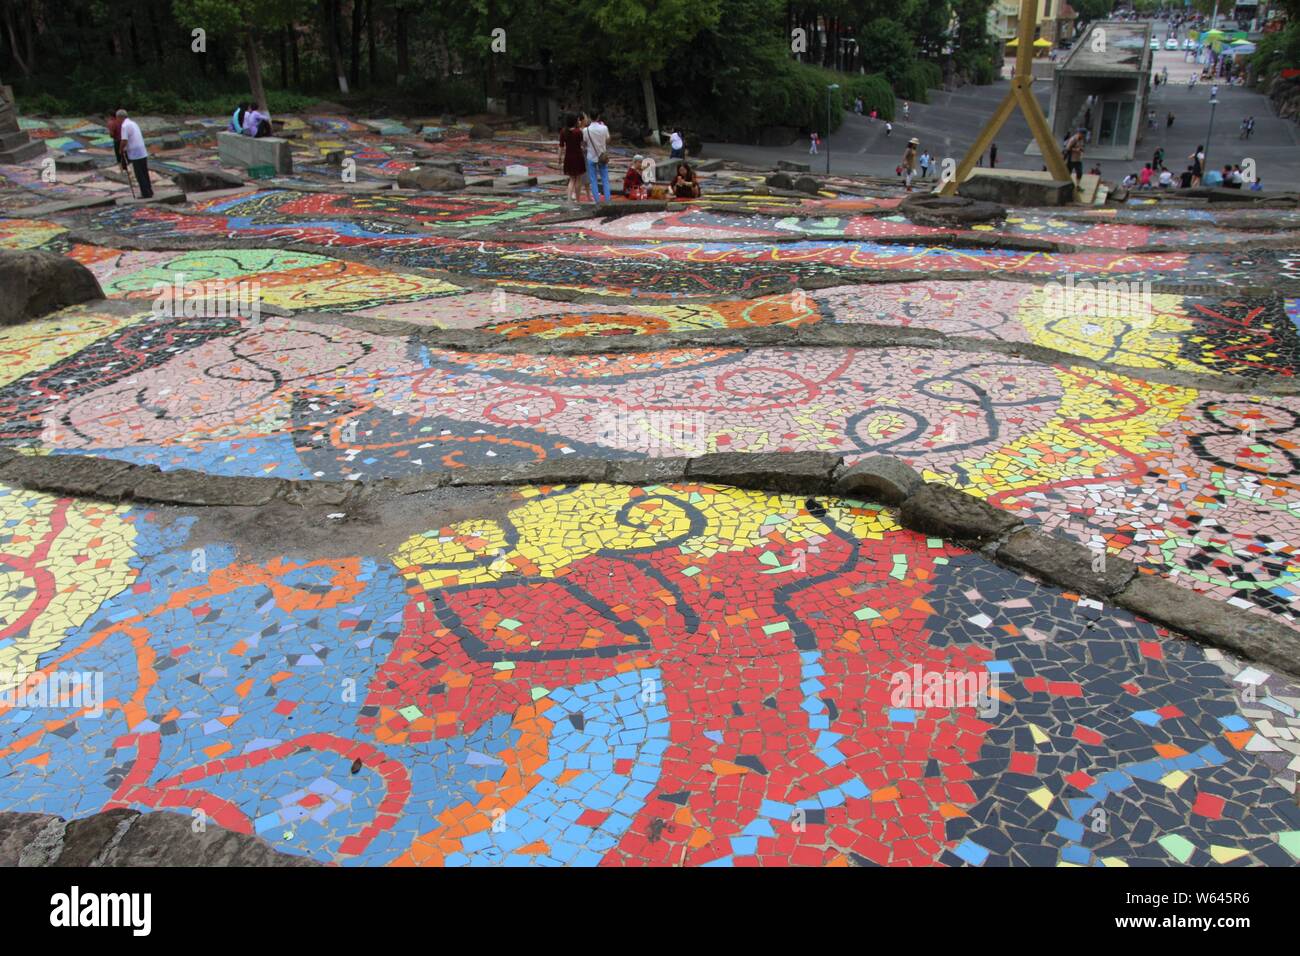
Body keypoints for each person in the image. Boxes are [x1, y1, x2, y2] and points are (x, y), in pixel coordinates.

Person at [117, 110, 153, 199]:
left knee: (139, 174)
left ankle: (145, 193)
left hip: (135, 152)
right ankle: (149, 190)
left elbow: (124, 140)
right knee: (144, 172)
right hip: (142, 150)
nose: (117, 120)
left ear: (120, 117)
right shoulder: (133, 123)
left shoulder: (124, 126)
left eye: (117, 118)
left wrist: (120, 150)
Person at [583, 110, 611, 204]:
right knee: (605, 179)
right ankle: (607, 201)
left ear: (589, 117)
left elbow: (584, 143)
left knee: (593, 180)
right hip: (602, 156)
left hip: (591, 156)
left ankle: (597, 201)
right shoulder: (604, 128)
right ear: (598, 116)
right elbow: (608, 140)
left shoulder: (586, 130)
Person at [559, 113, 588, 202]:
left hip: (568, 157)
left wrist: (559, 158)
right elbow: (582, 145)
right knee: (578, 178)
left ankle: (569, 199)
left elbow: (561, 146)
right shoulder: (578, 132)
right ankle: (578, 200)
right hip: (578, 157)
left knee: (571, 179)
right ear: (575, 121)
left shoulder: (563, 132)